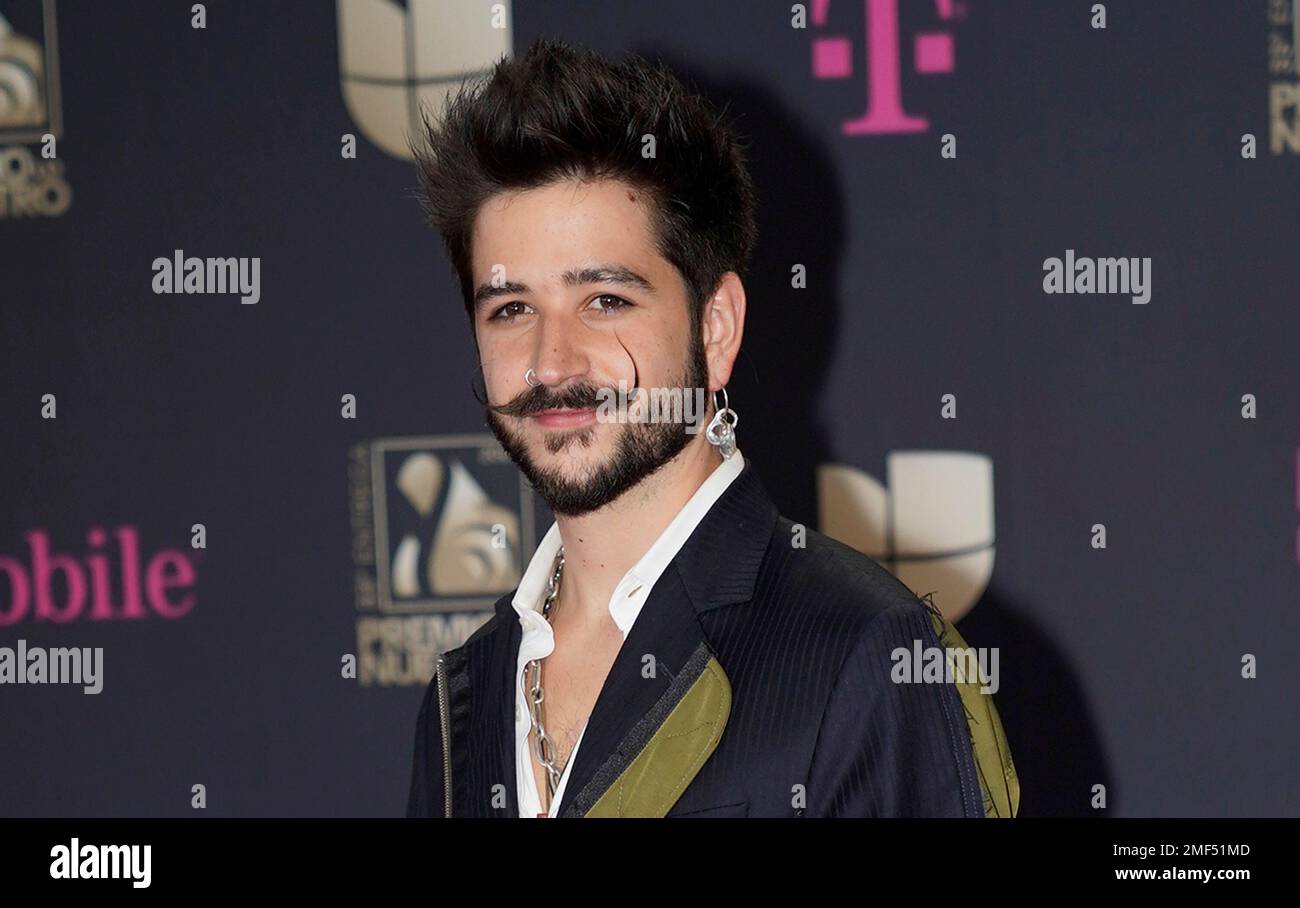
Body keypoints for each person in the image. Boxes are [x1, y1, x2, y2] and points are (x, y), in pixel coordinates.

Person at [405, 36, 1017, 818]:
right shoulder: (467, 697)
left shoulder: (867, 650)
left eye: (605, 301)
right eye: (511, 309)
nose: (551, 361)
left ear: (715, 327)